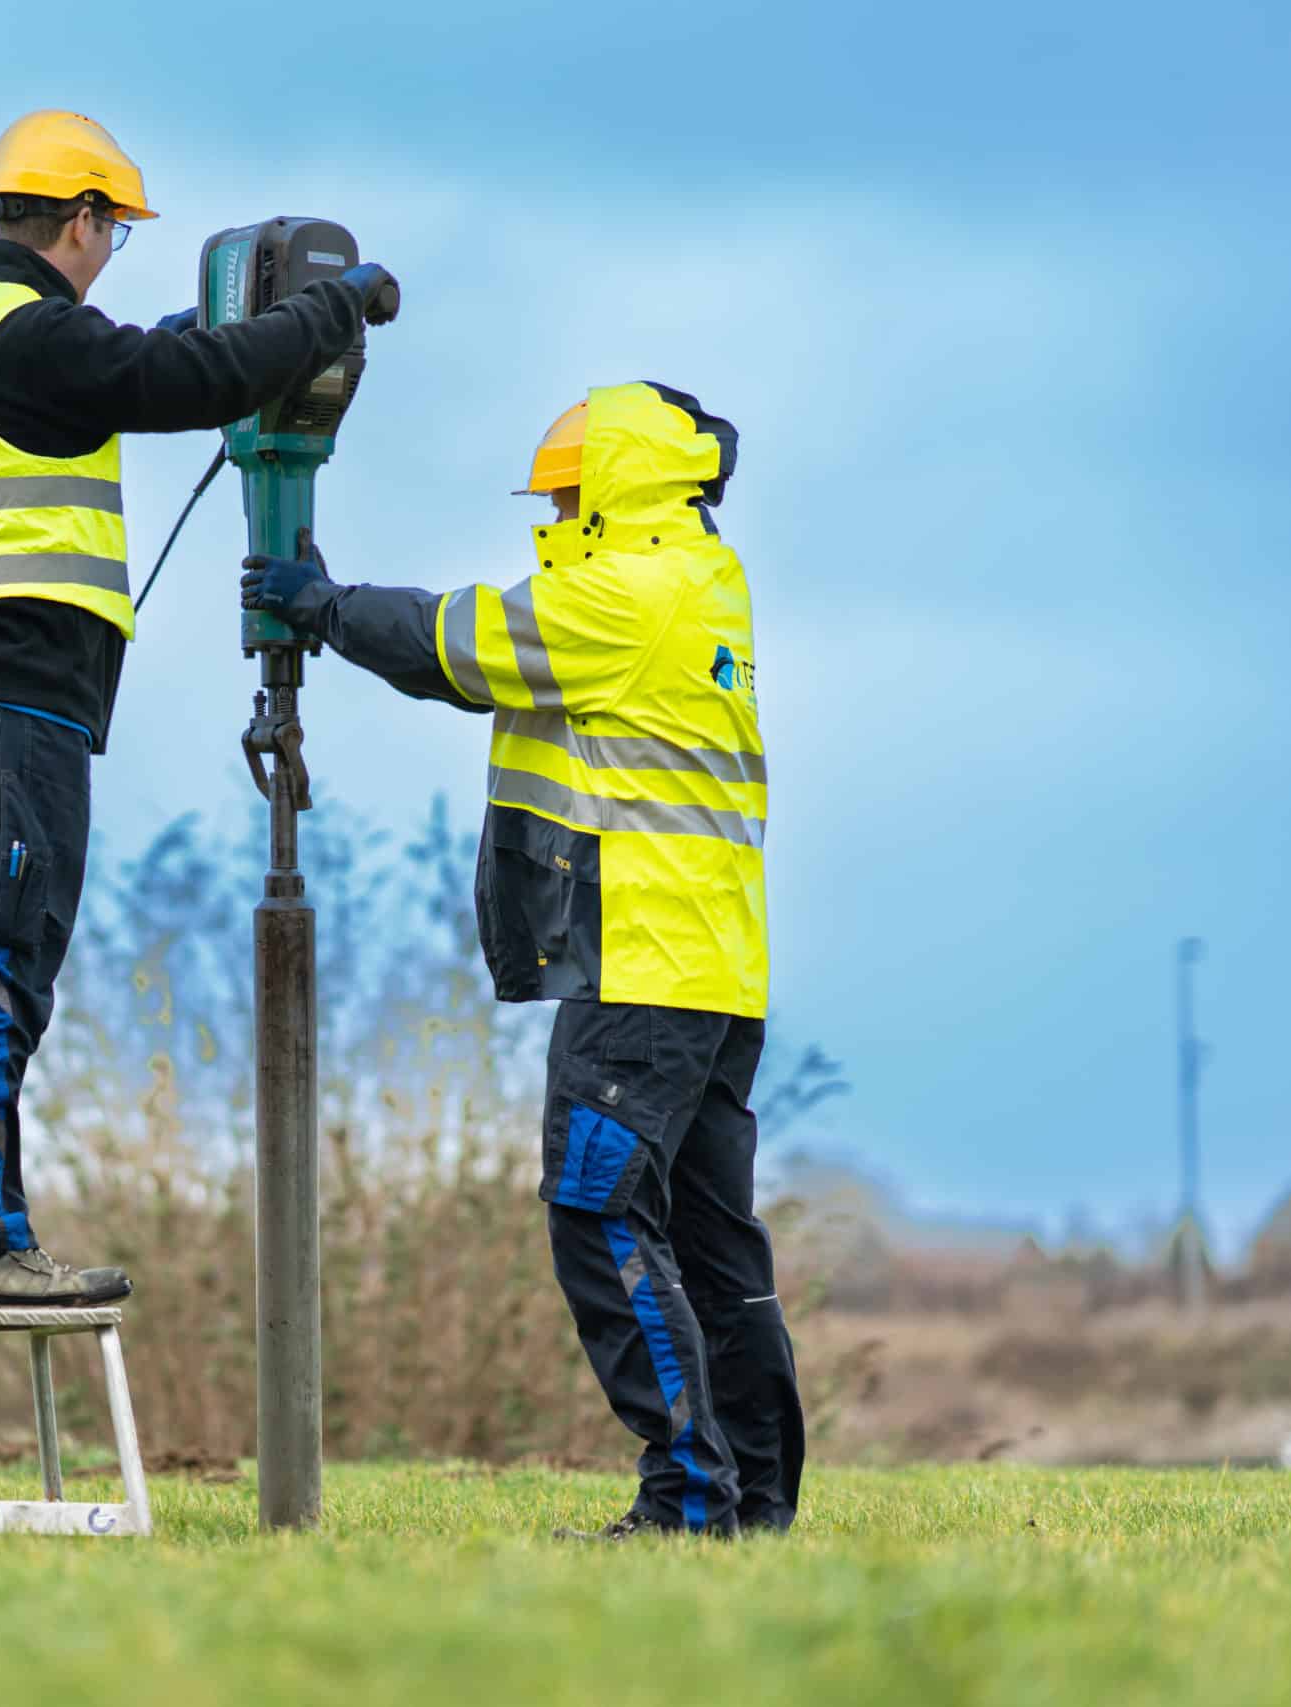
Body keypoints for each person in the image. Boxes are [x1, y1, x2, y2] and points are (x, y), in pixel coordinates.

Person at [238, 382, 803, 1534]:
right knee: (710, 1244)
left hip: (639, 973)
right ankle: (753, 1504)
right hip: (707, 975)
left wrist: (325, 607)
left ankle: (690, 1499)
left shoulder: (626, 595)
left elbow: (464, 641)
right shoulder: (698, 581)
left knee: (596, 1210)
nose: (548, 510)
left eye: (562, 491)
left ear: (611, 487)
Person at [0, 111, 398, 1309]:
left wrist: (203, 329)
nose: (113, 251)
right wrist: (334, 308)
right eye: (114, 229)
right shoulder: (32, 339)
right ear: (82, 219)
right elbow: (184, 382)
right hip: (14, 696)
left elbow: (116, 364)